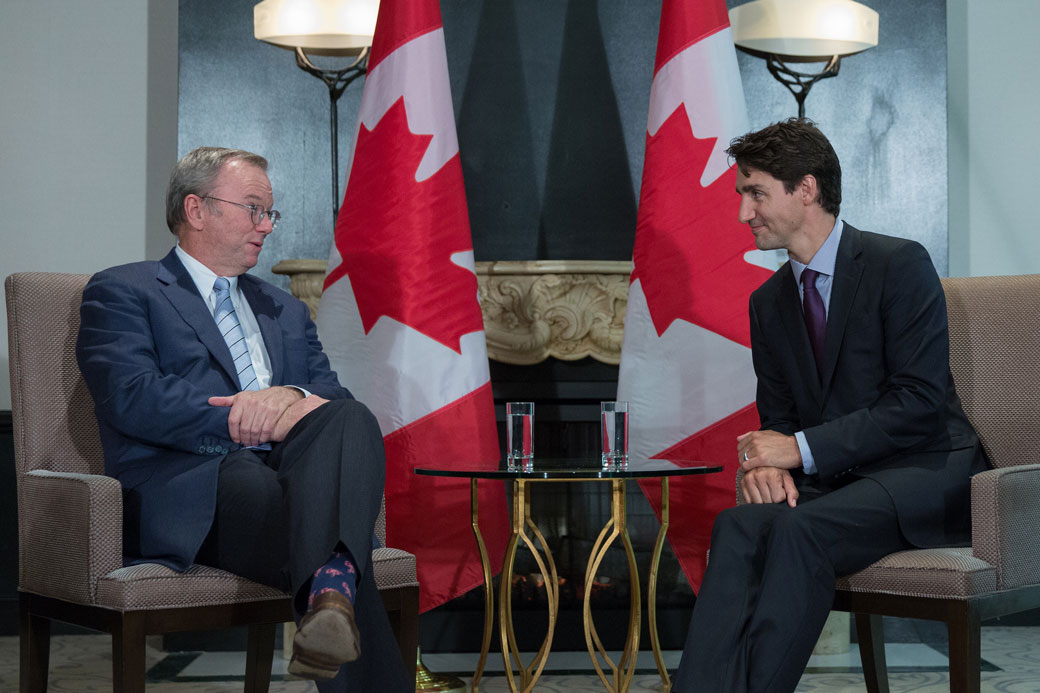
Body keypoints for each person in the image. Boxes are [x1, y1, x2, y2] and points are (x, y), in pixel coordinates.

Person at [75, 147, 411, 691]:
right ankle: (337, 577)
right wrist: (242, 418)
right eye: (254, 209)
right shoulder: (124, 290)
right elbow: (132, 396)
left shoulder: (284, 308)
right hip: (197, 484)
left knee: (350, 415)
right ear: (197, 208)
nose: (267, 226)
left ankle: (331, 591)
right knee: (322, 524)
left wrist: (286, 397)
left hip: (292, 478)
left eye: (269, 213)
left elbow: (329, 398)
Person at [671, 119, 989, 692]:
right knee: (738, 525)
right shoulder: (768, 303)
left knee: (801, 531)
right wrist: (769, 461)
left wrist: (794, 450)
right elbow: (782, 416)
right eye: (743, 196)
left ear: (806, 189)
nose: (744, 213)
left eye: (755, 193)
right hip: (842, 482)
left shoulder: (899, 265)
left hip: (927, 472)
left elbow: (918, 404)